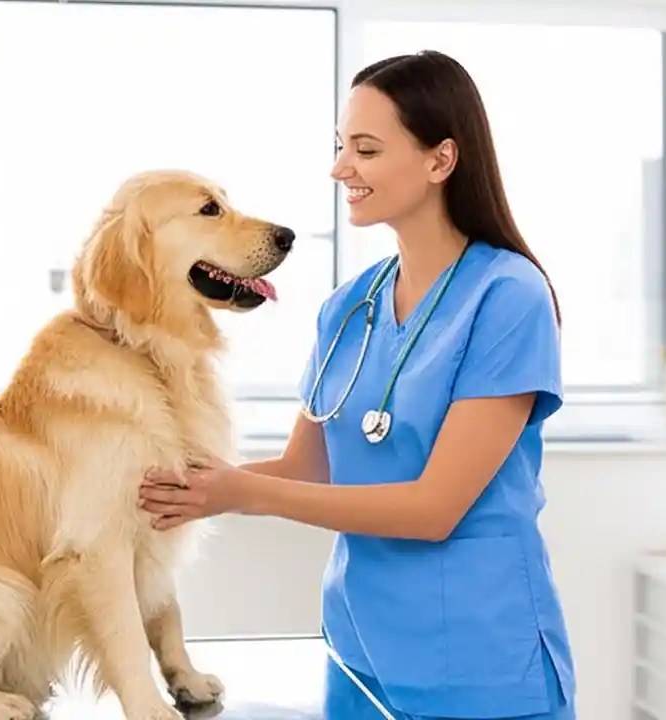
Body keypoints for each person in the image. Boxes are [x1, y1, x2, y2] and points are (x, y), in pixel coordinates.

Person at [139, 49, 574, 720]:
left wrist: (239, 491)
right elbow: (307, 469)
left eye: (366, 150)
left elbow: (435, 509)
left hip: (482, 666)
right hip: (360, 659)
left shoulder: (508, 296)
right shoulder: (346, 309)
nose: (341, 168)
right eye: (343, 146)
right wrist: (179, 485)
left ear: (440, 160)